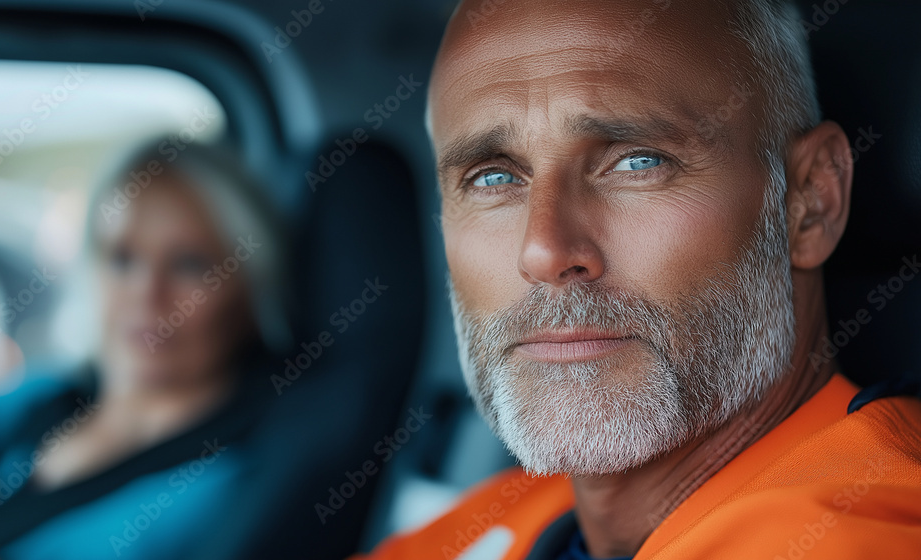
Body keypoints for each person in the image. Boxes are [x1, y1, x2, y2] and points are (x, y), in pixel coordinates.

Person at [356, 0, 921, 558]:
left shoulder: (859, 533)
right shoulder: (493, 520)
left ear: (809, 202)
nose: (545, 251)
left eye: (638, 163)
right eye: (494, 176)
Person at [0, 141, 288, 560]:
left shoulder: (225, 487)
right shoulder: (33, 396)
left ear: (252, 288)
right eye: (121, 258)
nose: (145, 294)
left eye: (190, 264)